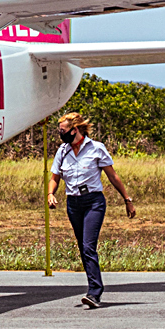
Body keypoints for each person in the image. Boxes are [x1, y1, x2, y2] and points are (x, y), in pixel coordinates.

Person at [47, 112, 135, 308]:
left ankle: (94, 292)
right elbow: (54, 177)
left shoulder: (96, 148)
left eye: (63, 131)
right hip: (73, 203)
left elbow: (113, 176)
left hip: (93, 202)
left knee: (88, 246)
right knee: (83, 247)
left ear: (74, 130)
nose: (61, 134)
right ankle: (93, 288)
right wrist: (50, 194)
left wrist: (127, 199)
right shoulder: (62, 151)